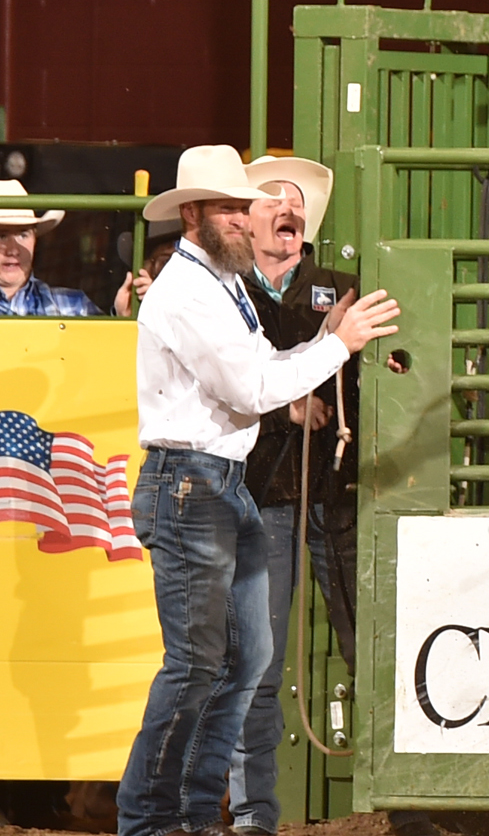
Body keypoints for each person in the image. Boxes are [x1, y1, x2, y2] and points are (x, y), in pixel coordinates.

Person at [119, 144, 400, 836]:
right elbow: (253, 387)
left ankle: (194, 815)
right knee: (196, 665)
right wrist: (339, 345)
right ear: (194, 216)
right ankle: (150, 820)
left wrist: (328, 340)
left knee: (241, 663)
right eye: (230, 208)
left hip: (216, 485)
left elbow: (265, 369)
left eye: (245, 207)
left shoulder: (212, 283)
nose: (246, 220)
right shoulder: (192, 292)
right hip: (194, 485)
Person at [0, 177, 143, 315]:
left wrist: (122, 317)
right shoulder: (71, 308)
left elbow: (109, 340)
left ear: (35, 239)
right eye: (2, 236)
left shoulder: (76, 307)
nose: (13, 250)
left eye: (23, 235)